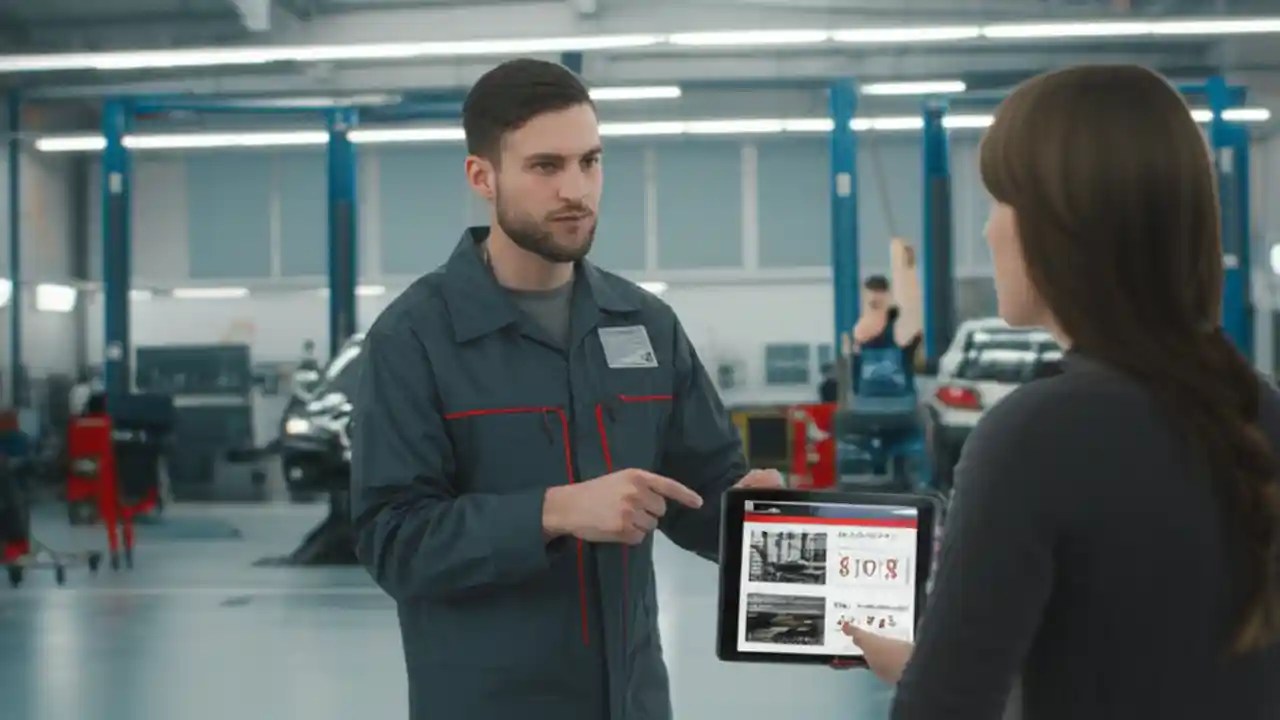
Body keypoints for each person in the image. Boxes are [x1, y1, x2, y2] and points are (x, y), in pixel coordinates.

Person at [349, 58, 781, 720]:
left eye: (591, 161)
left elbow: (700, 494)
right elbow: (394, 541)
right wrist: (552, 512)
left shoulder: (645, 324)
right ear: (481, 177)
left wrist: (751, 516)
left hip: (631, 700)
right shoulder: (415, 338)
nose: (576, 189)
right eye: (546, 166)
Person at [843, 65, 1280, 719]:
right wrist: (934, 661)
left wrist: (936, 676)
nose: (989, 232)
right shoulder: (1261, 410)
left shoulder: (1035, 436)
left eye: (999, 203)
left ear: (1060, 223)